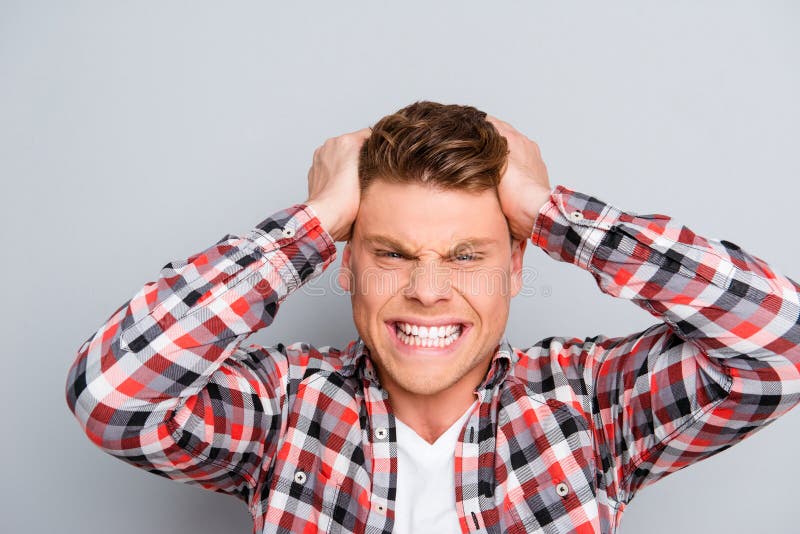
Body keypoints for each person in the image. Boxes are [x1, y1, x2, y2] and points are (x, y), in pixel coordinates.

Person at [65, 101, 800, 534]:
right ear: (345, 264)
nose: (426, 290)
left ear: (517, 265)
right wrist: (313, 224)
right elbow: (112, 396)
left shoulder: (593, 403)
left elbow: (781, 344)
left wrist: (555, 215)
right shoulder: (282, 410)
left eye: (465, 256)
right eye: (391, 253)